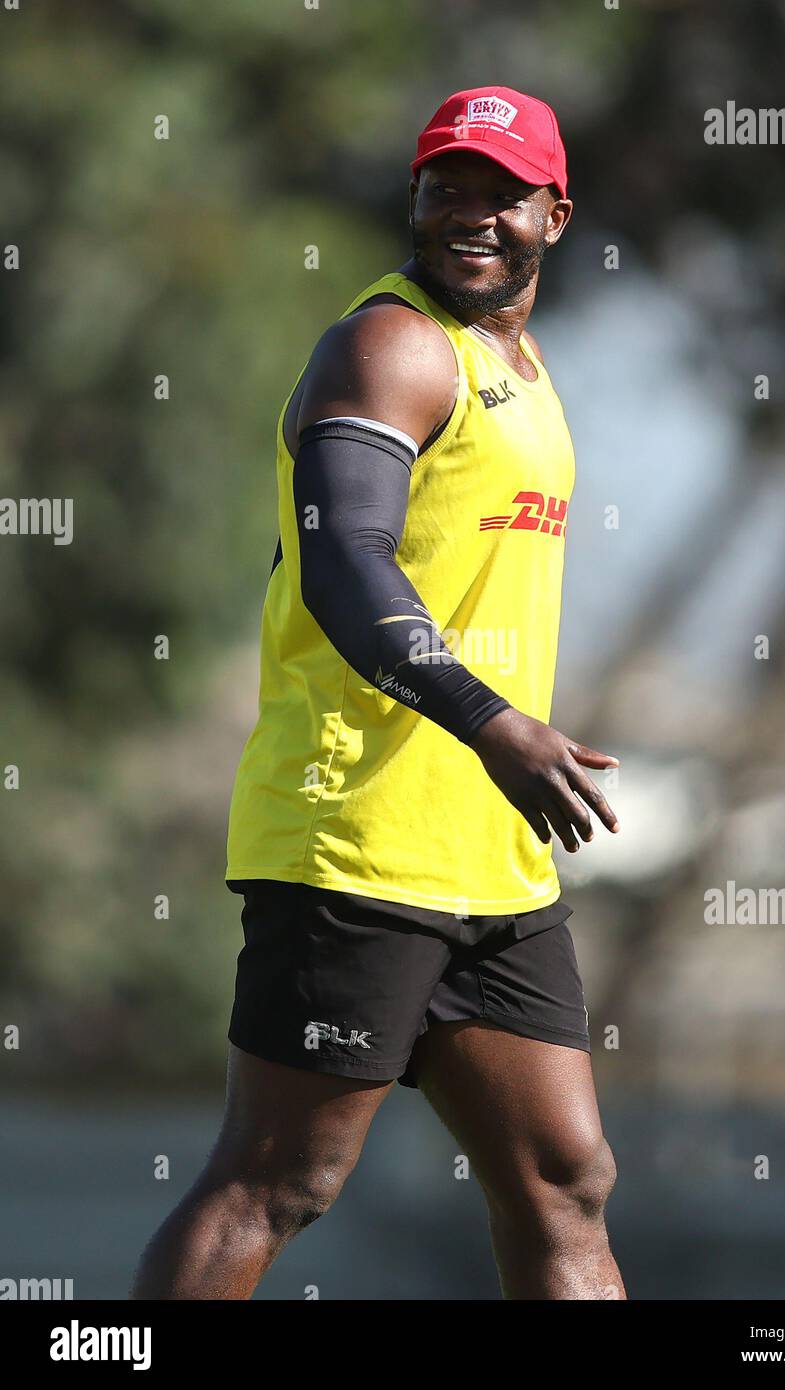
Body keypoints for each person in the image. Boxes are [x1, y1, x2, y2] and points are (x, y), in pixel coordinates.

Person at [130, 85, 626, 1301]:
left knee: (564, 1179)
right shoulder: (387, 344)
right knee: (276, 1180)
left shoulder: (524, 369)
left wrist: (499, 756)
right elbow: (350, 566)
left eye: (498, 192)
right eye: (443, 186)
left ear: (553, 214)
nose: (467, 213)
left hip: (490, 855)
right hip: (354, 839)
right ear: (412, 199)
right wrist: (493, 723)